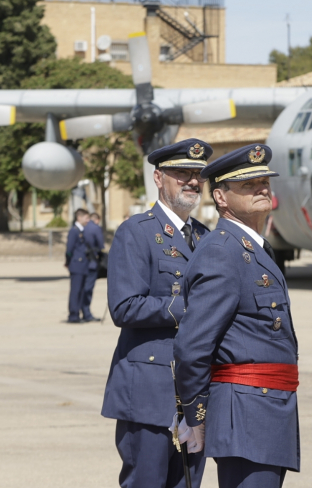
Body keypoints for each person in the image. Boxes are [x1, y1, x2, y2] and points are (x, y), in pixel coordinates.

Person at [174, 143, 299, 488]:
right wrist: (196, 415)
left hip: (268, 408)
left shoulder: (252, 247)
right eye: (248, 184)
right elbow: (192, 346)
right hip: (245, 414)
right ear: (221, 197)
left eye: (264, 182)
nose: (262, 189)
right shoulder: (222, 251)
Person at [101, 139, 214, 488]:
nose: (192, 181)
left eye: (197, 175)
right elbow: (124, 306)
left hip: (195, 389)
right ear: (158, 178)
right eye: (182, 173)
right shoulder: (137, 232)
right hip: (149, 391)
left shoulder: (204, 236)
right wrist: (191, 308)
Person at [64, 209, 101, 323]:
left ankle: (79, 314)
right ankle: (73, 315)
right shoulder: (74, 231)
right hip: (77, 264)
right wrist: (69, 262)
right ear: (79, 217)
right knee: (76, 291)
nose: (88, 220)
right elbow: (69, 250)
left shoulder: (81, 230)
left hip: (83, 264)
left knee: (81, 291)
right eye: (86, 218)